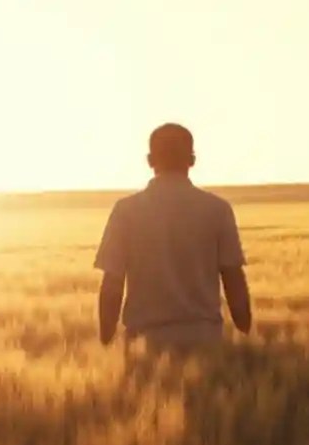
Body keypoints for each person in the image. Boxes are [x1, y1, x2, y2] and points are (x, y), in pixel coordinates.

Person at [94, 123, 252, 349]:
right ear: (192, 160)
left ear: (149, 161)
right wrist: (246, 336)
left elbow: (112, 283)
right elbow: (233, 278)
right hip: (205, 340)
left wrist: (106, 342)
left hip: (144, 342)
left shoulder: (125, 210)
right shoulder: (217, 209)